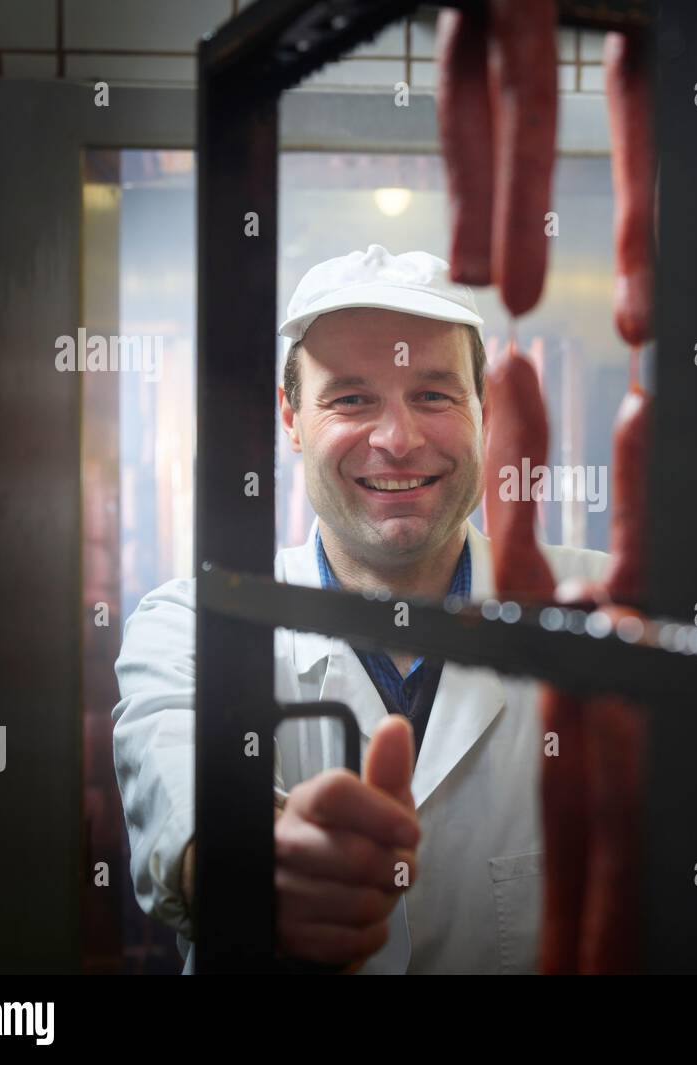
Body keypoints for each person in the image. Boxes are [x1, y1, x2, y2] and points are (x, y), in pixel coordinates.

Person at [112, 245, 608, 974]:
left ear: (483, 408)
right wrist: (260, 862)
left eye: (433, 394)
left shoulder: (602, 615)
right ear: (291, 416)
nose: (397, 440)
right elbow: (180, 783)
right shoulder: (189, 623)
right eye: (351, 398)